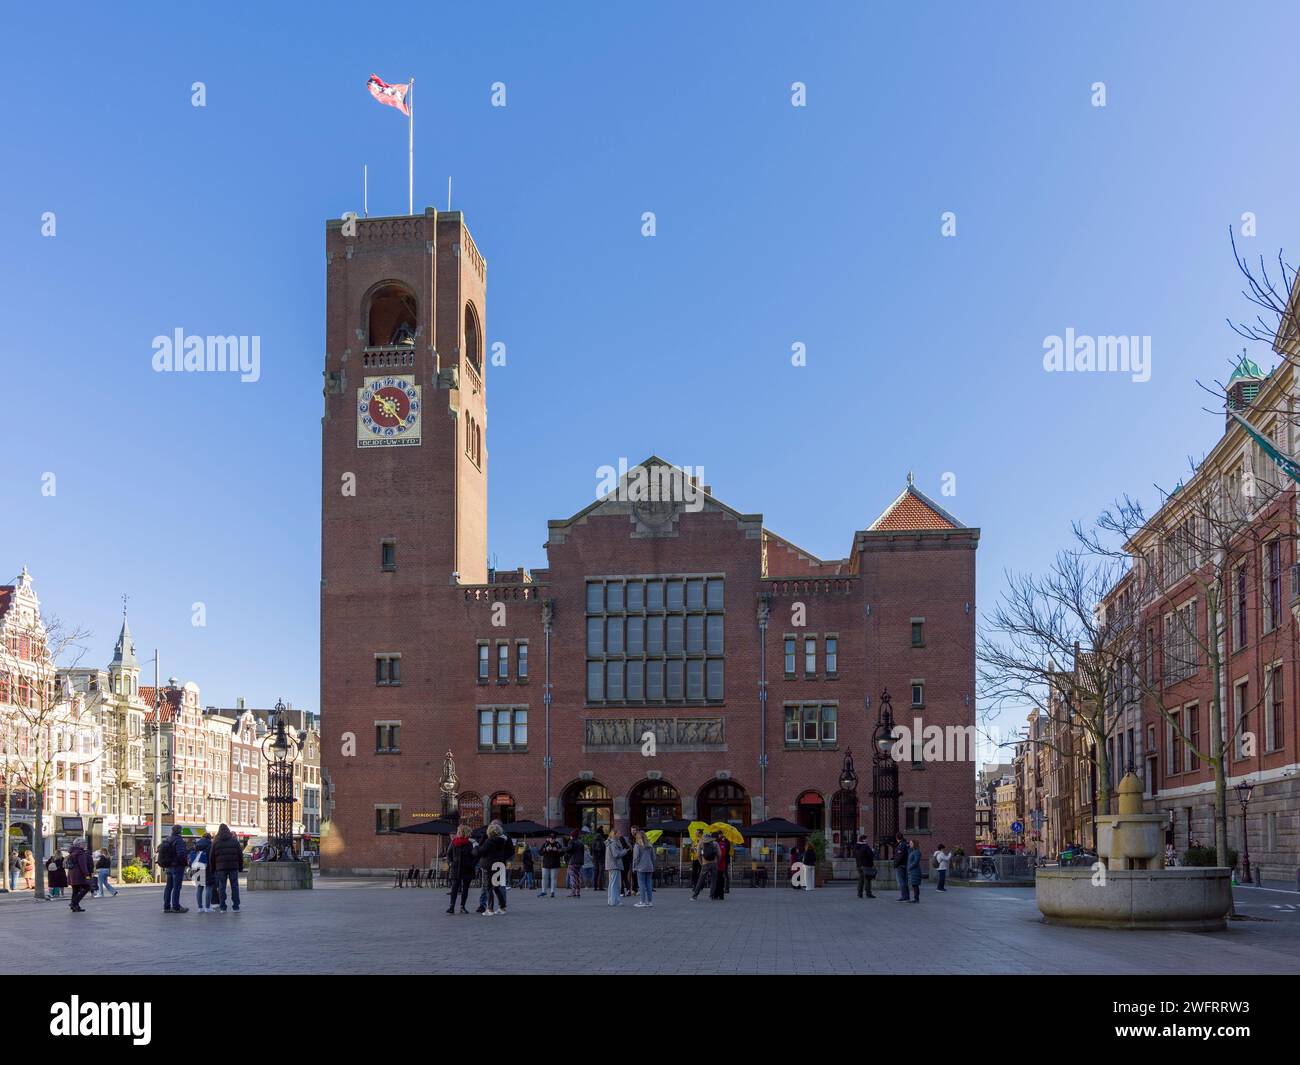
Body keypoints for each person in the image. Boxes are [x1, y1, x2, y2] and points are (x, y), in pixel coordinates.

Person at [474, 821, 511, 915]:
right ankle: (502, 908)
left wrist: (475, 846)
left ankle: (490, 909)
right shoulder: (502, 840)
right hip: (498, 865)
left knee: (488, 887)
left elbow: (481, 852)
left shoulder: (490, 841)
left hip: (489, 865)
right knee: (497, 888)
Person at [209, 823, 244, 912]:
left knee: (221, 887)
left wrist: (213, 869)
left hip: (220, 868)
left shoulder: (216, 841)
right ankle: (236, 906)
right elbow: (240, 855)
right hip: (233, 867)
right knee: (235, 886)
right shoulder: (234, 840)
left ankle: (223, 907)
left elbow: (211, 856)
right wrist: (240, 867)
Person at [158, 825, 189, 913]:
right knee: (177, 887)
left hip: (168, 866)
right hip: (177, 867)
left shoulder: (168, 839)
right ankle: (176, 906)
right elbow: (181, 854)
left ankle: (166, 906)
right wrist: (184, 863)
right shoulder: (179, 840)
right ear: (180, 831)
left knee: (168, 887)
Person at [447, 825, 475, 913]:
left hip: (467, 868)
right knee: (454, 887)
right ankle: (451, 907)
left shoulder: (470, 843)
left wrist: (472, 864)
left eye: (459, 831)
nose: (458, 832)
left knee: (465, 888)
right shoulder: (454, 842)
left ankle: (462, 907)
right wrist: (450, 863)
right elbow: (449, 854)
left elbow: (475, 855)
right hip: (456, 868)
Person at [66, 839, 93, 912]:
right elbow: (83, 865)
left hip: (72, 874)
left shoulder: (72, 852)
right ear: (79, 844)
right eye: (84, 843)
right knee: (87, 888)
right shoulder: (80, 853)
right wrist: (87, 875)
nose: (85, 844)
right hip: (79, 875)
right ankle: (74, 903)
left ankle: (75, 907)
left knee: (75, 890)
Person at [691, 831, 719, 901]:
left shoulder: (701, 843)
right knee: (713, 880)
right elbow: (720, 854)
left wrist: (701, 862)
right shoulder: (715, 843)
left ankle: (695, 896)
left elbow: (698, 855)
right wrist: (717, 861)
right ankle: (711, 897)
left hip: (705, 863)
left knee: (700, 880)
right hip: (714, 863)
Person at [191, 832, 213, 912]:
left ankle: (200, 908)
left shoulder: (196, 844)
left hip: (198, 867)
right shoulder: (211, 845)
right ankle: (207, 907)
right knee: (208, 887)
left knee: (199, 888)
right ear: (209, 838)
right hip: (208, 868)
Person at [604, 829, 627, 906]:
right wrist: (624, 851)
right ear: (614, 834)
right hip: (615, 865)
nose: (619, 835)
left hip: (611, 865)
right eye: (618, 833)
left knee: (611, 884)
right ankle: (615, 901)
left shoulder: (609, 842)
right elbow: (616, 855)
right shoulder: (613, 843)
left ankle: (611, 900)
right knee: (615, 884)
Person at [632, 830, 655, 907]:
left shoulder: (637, 845)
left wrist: (634, 867)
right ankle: (649, 901)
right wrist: (652, 865)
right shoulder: (650, 845)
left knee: (641, 884)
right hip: (649, 867)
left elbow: (636, 858)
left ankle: (642, 901)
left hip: (641, 867)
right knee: (649, 884)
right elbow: (653, 857)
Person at [538, 831, 562, 898]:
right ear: (548, 838)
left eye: (553, 838)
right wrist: (545, 849)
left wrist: (556, 850)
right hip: (546, 864)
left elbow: (562, 852)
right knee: (544, 878)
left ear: (555, 839)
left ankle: (552, 892)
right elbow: (540, 852)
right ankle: (543, 891)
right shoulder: (545, 844)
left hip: (555, 864)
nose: (552, 839)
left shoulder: (558, 844)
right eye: (551, 838)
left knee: (553, 878)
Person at [855, 833, 876, 898]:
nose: (867, 841)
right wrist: (873, 851)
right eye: (866, 839)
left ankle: (859, 893)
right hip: (866, 865)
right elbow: (871, 855)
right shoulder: (866, 847)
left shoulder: (856, 847)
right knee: (867, 880)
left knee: (861, 879)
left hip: (859, 865)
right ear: (864, 840)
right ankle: (868, 893)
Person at [566, 831, 584, 898]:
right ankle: (578, 892)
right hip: (580, 862)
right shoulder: (581, 842)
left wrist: (565, 849)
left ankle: (573, 892)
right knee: (578, 877)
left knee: (572, 877)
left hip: (573, 862)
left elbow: (569, 849)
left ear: (572, 836)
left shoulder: (571, 842)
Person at [893, 832, 910, 901]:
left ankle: (904, 896)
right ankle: (907, 896)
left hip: (900, 865)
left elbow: (899, 856)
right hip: (904, 865)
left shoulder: (901, 845)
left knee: (902, 882)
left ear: (897, 838)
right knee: (905, 881)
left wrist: (896, 864)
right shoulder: (904, 844)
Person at [712, 834, 729, 900]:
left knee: (719, 880)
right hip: (718, 865)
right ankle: (717, 894)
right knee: (717, 880)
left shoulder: (721, 844)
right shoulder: (719, 844)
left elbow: (722, 855)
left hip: (719, 865)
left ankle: (720, 895)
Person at [620, 829, 636, 896]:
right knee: (625, 877)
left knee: (621, 878)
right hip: (627, 864)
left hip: (621, 864)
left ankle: (622, 892)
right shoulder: (628, 847)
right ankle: (628, 890)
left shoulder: (620, 848)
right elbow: (631, 856)